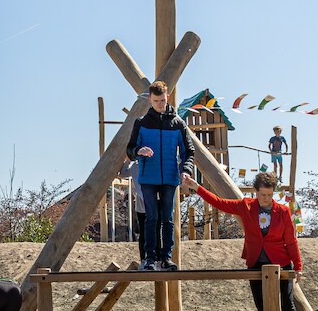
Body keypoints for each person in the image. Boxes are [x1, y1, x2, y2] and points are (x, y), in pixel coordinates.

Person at [182, 172, 303, 311]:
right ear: (256, 191)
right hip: (256, 263)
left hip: (282, 263)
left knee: (288, 305)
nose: (267, 198)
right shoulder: (246, 206)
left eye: (270, 195)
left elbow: (291, 241)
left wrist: (298, 267)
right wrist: (197, 188)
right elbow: (219, 203)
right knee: (262, 306)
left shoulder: (283, 211)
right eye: (263, 194)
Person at [125, 80, 195, 271]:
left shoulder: (178, 124)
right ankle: (149, 258)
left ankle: (166, 258)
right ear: (150, 100)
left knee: (167, 218)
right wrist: (139, 150)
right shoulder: (141, 123)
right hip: (148, 178)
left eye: (163, 100)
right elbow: (129, 149)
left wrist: (186, 170)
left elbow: (189, 151)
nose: (160, 104)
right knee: (151, 217)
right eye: (156, 101)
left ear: (168, 98)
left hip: (170, 178)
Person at [118, 158, 147, 261]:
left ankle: (147, 259)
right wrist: (128, 159)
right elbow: (122, 174)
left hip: (146, 201)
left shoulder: (135, 167)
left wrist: (127, 160)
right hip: (145, 202)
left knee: (147, 231)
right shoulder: (135, 166)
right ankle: (146, 259)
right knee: (146, 231)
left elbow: (122, 173)